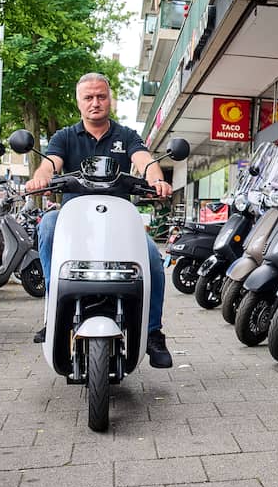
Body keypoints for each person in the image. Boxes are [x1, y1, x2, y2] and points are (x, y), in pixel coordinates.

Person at [25, 72, 175, 368]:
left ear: (110, 100)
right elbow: (50, 164)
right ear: (78, 102)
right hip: (75, 223)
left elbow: (145, 161)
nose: (95, 102)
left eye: (101, 96)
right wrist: (40, 178)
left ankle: (153, 333)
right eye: (89, 97)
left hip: (120, 224)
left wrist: (157, 180)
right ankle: (53, 310)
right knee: (48, 224)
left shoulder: (126, 135)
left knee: (152, 259)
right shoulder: (64, 136)